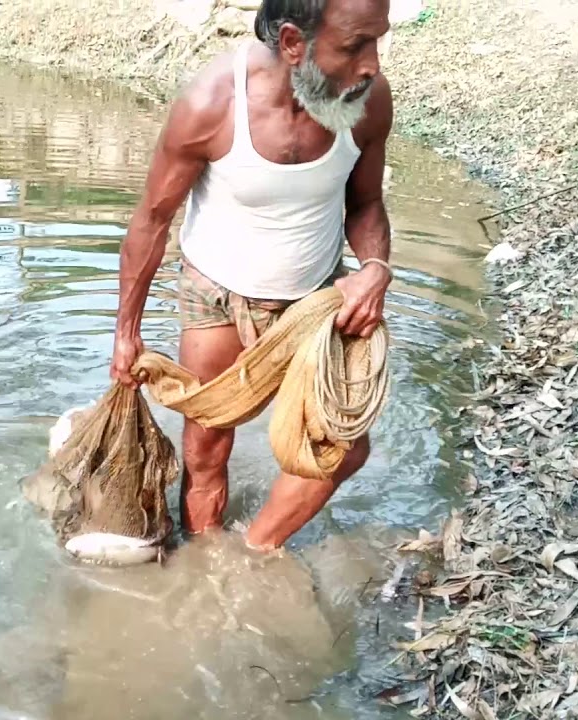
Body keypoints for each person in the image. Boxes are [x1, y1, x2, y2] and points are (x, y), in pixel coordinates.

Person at [109, 0, 395, 551]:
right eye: (355, 45)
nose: (372, 65)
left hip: (314, 302)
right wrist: (127, 332)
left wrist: (375, 267)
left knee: (343, 447)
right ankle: (204, 560)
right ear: (292, 43)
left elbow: (365, 206)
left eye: (377, 41)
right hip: (215, 293)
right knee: (206, 447)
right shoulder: (212, 105)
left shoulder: (368, 102)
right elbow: (152, 219)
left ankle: (255, 551)